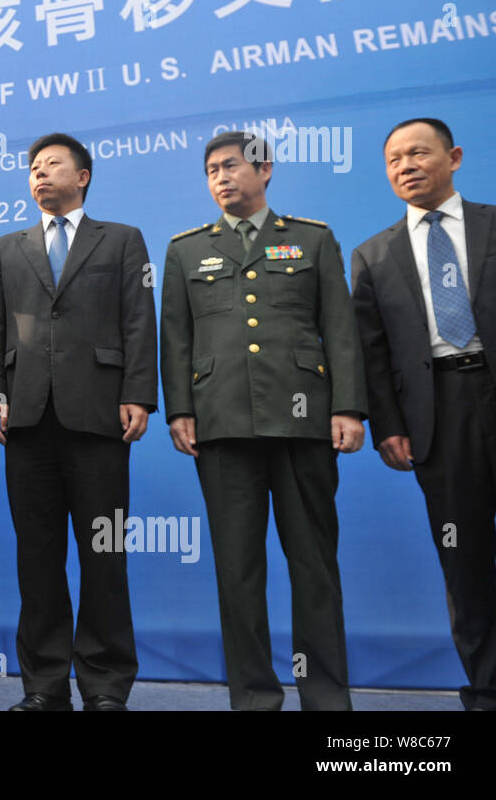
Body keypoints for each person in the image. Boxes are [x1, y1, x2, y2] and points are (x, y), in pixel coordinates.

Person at [160, 131, 366, 711]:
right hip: (221, 425)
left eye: (231, 166)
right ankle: (253, 699)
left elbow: (341, 331)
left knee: (315, 569)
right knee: (238, 572)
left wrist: (347, 406)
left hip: (304, 424)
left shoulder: (311, 239)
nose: (221, 177)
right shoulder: (183, 251)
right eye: (210, 171)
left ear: (265, 168)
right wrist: (180, 410)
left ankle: (327, 700)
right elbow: (175, 338)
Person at [0, 133, 156, 711]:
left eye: (52, 165)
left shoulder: (122, 241)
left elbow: (138, 322)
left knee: (104, 555)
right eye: (32, 168)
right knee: (38, 557)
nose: (39, 174)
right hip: (26, 420)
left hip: (100, 415)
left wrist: (139, 396)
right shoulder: (7, 248)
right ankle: (45, 686)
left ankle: (105, 686)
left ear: (83, 176)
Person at [350, 117, 496, 712]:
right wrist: (388, 425)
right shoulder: (373, 254)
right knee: (464, 565)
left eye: (418, 153)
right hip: (439, 416)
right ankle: (488, 694)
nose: (405, 166)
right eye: (393, 160)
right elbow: (373, 352)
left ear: (454, 156)